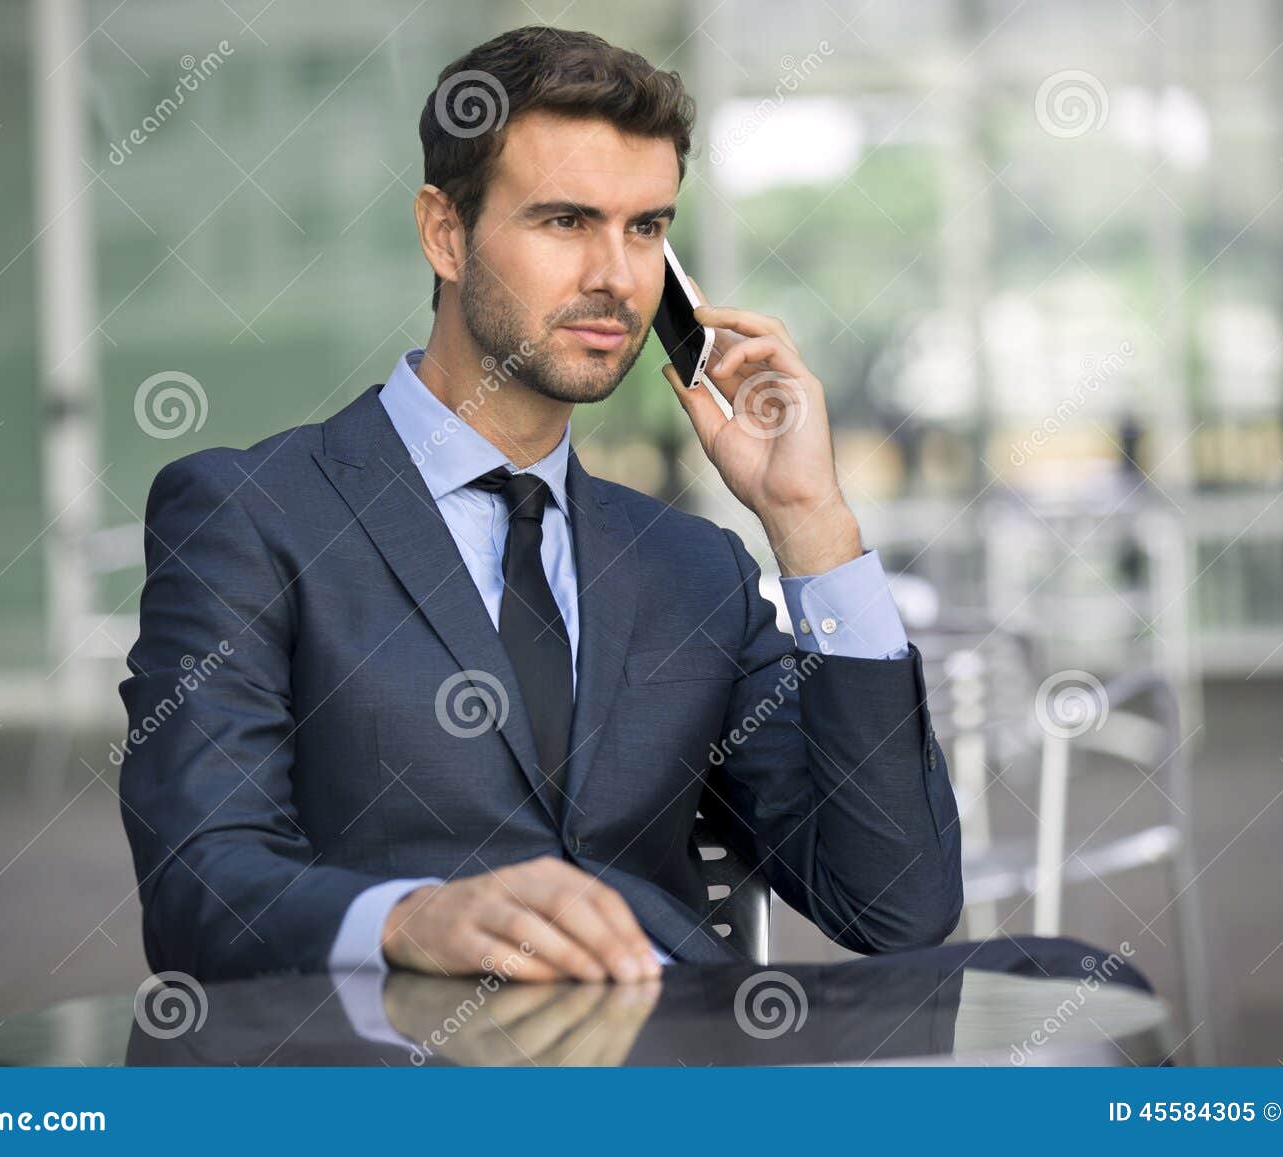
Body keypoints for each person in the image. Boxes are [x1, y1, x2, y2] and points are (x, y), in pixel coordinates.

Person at [118, 25, 969, 986]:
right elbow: (199, 882)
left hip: (665, 1068)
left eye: (645, 227)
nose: (616, 275)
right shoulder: (251, 515)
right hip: (399, 1077)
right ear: (446, 233)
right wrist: (411, 918)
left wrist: (809, 522)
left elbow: (896, 904)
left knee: (1087, 983)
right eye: (567, 221)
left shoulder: (694, 570)